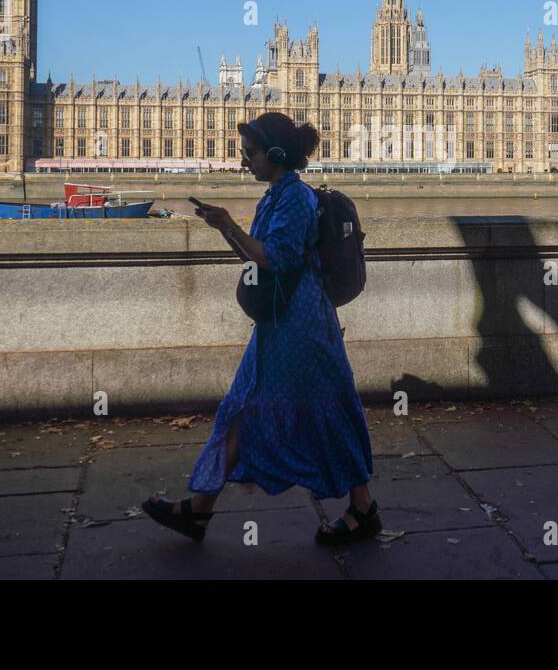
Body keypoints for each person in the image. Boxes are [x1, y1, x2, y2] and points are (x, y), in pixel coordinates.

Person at [142, 111, 380, 545]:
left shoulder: (294, 198)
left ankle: (362, 507)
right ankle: (199, 510)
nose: (243, 160)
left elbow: (279, 260)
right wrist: (224, 228)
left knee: (311, 408)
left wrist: (230, 225)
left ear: (275, 153)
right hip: (283, 321)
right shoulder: (276, 194)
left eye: (250, 153)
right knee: (258, 407)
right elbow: (258, 259)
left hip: (301, 324)